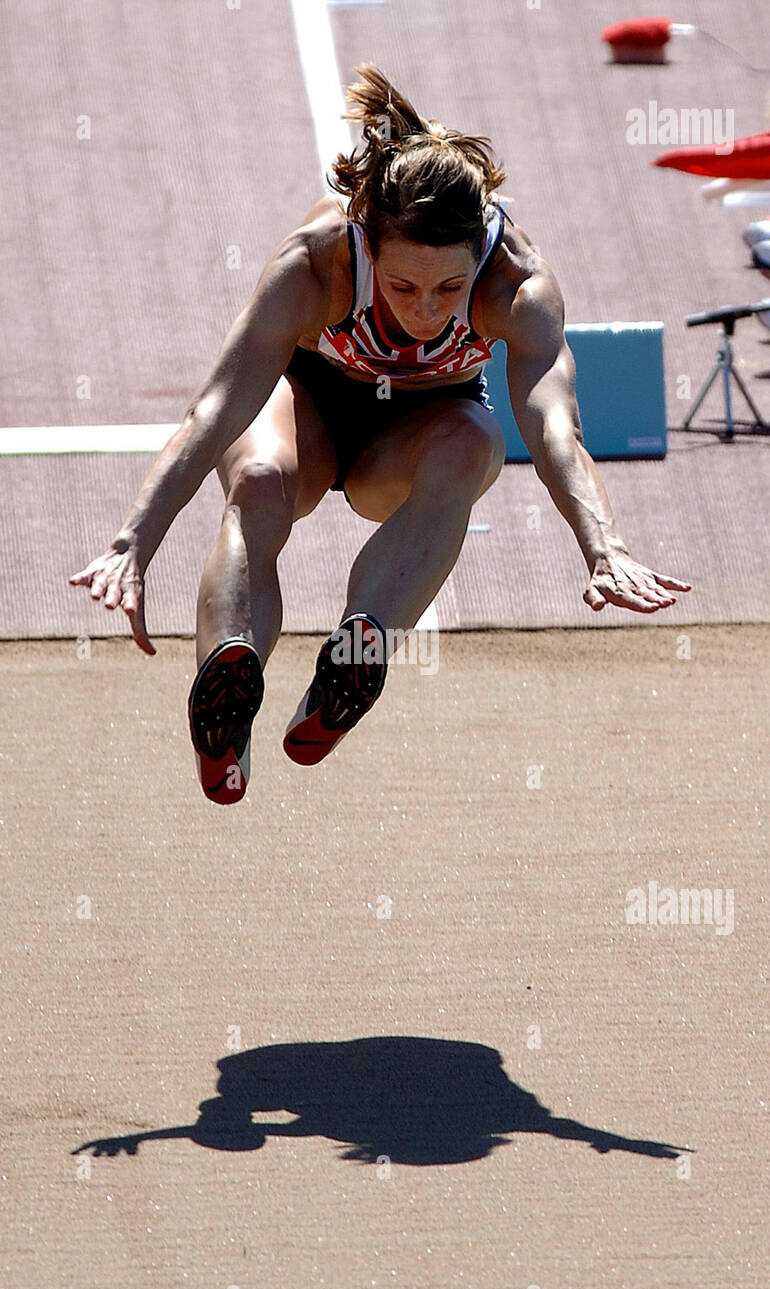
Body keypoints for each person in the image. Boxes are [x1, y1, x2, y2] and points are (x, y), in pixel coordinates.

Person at [69, 63, 690, 804]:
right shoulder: (312, 265)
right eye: (402, 287)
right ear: (367, 244)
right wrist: (133, 541)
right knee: (261, 482)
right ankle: (226, 692)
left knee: (477, 442)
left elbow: (558, 427)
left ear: (478, 264)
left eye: (448, 289)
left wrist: (604, 547)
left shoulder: (520, 291)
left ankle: (359, 648)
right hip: (306, 404)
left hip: (415, 429)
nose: (427, 309)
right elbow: (214, 413)